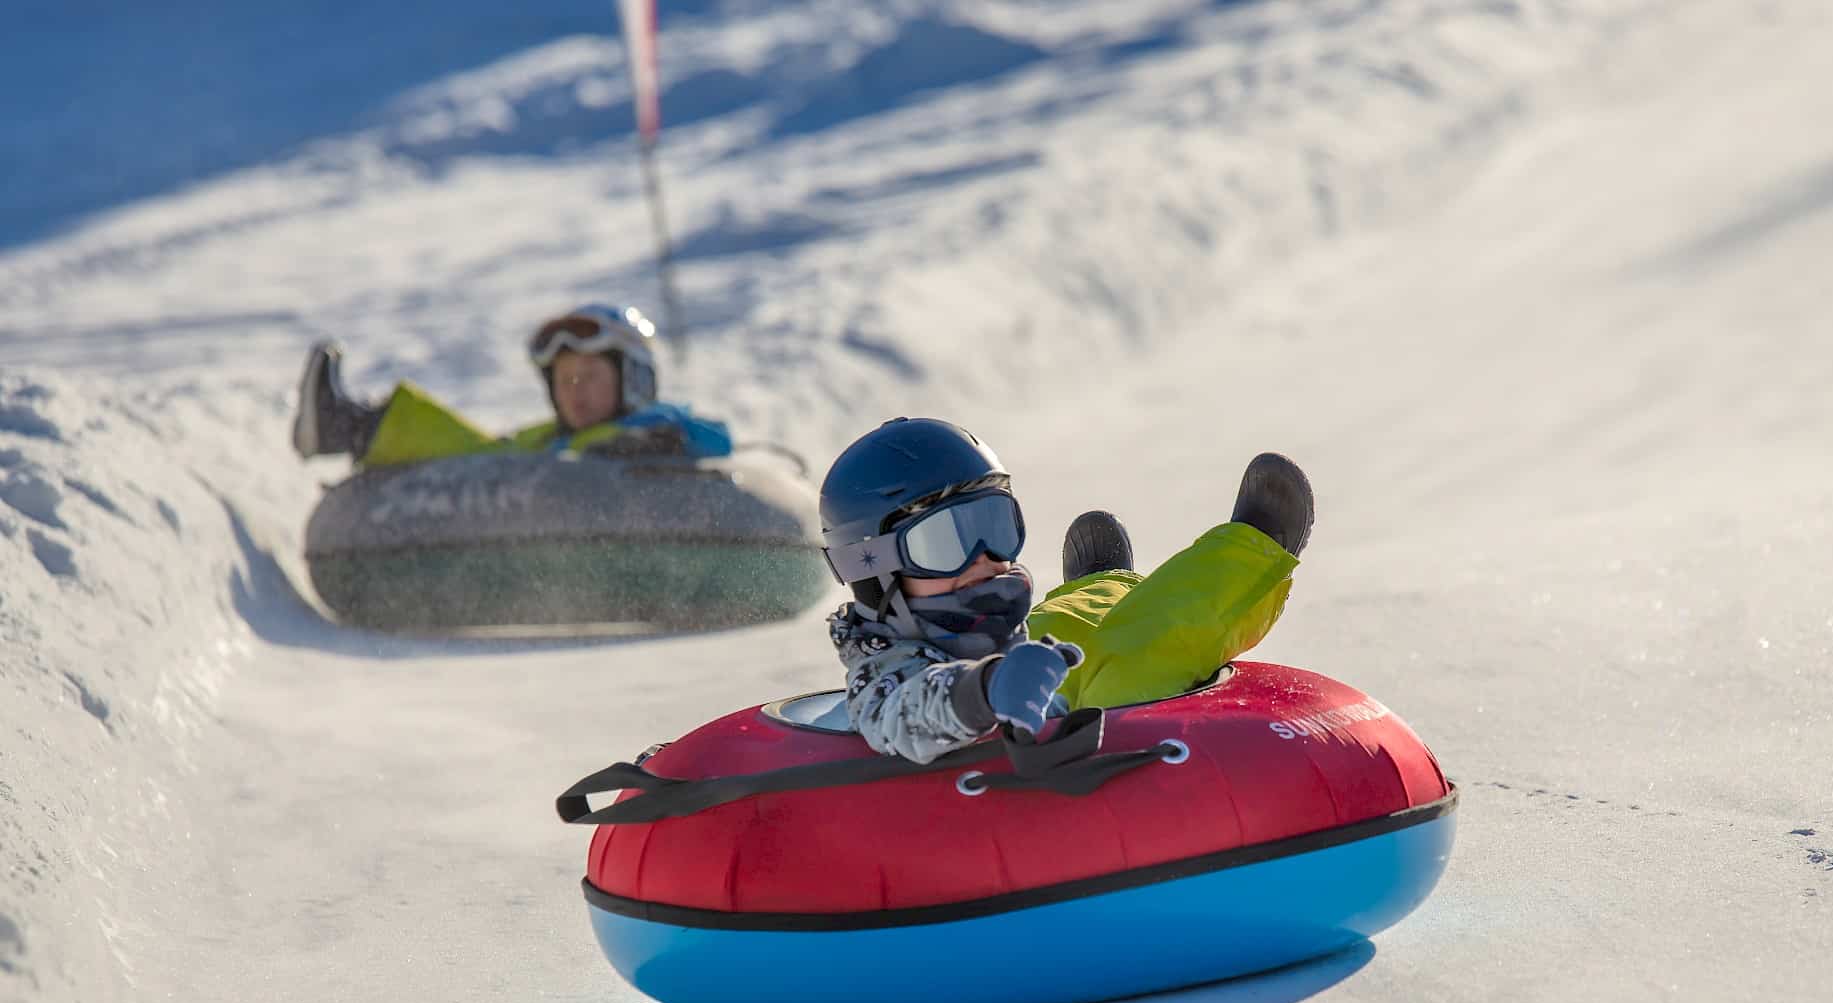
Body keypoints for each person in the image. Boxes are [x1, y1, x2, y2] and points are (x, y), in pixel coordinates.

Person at [821, 416, 1314, 764]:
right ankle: (1249, 552)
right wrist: (986, 691)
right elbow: (905, 713)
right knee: (1138, 657)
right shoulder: (883, 671)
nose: (984, 558)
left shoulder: (977, 619)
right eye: (942, 541)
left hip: (1044, 691)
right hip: (994, 809)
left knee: (1062, 626)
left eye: (994, 525)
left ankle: (1101, 586)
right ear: (876, 572)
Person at [289, 303, 731, 465]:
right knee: (477, 455)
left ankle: (350, 426)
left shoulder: (657, 423)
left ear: (633, 380)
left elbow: (716, 442)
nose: (575, 390)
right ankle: (359, 430)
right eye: (564, 380)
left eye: (590, 377)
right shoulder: (553, 438)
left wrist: (663, 444)